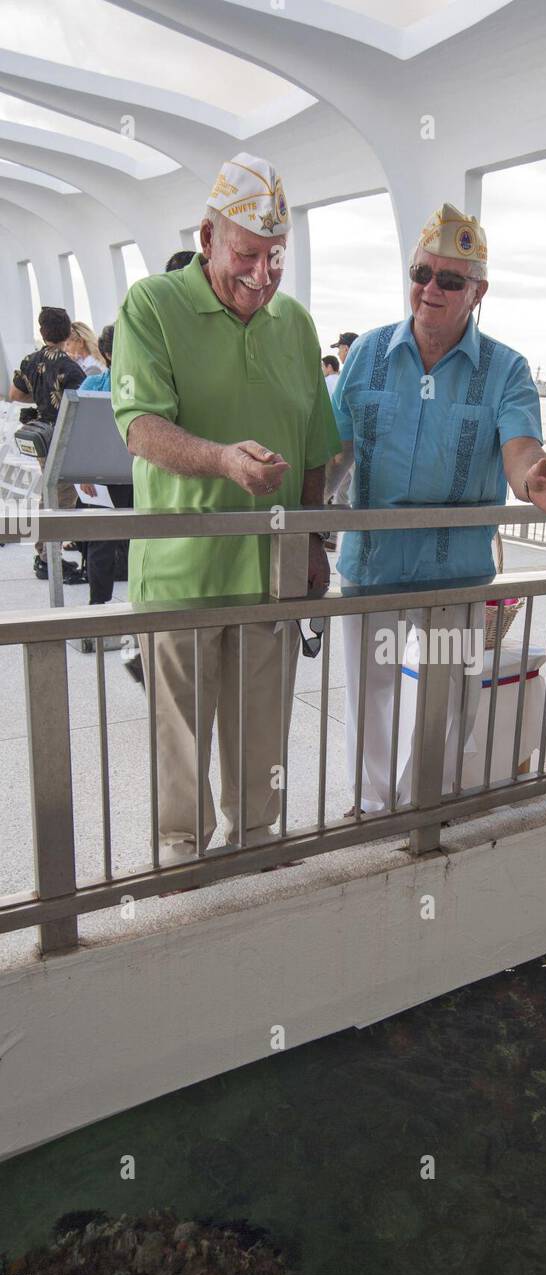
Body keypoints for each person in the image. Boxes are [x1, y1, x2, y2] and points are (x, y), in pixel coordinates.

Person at [111, 151, 340, 866]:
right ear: (207, 239)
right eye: (247, 254)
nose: (262, 275)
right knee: (178, 744)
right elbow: (141, 426)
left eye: (276, 259)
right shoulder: (152, 305)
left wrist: (310, 539)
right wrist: (222, 460)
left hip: (268, 578)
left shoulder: (295, 324)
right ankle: (179, 859)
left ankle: (257, 842)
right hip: (179, 579)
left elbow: (314, 449)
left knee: (264, 733)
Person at [331, 202, 546, 813]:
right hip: (372, 565)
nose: (430, 289)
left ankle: (425, 810)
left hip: (455, 570)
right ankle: (376, 808)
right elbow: (333, 452)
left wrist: (537, 480)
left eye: (450, 279)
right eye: (421, 273)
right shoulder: (366, 353)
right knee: (370, 698)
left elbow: (521, 451)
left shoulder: (506, 369)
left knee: (450, 702)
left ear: (478, 291)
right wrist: (301, 523)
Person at [9, 305, 86, 582]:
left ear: (42, 332)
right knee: (62, 499)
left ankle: (42, 553)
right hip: (63, 438)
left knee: (50, 495)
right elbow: (80, 404)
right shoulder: (70, 368)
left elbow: (15, 394)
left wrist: (41, 401)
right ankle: (47, 559)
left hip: (41, 437)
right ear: (67, 332)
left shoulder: (30, 361)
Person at [77, 325, 134, 605]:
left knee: (138, 538)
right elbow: (80, 433)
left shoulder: (145, 384)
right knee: (102, 540)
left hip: (138, 473)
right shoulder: (93, 385)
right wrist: (86, 472)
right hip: (104, 474)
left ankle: (139, 604)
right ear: (108, 353)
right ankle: (98, 607)